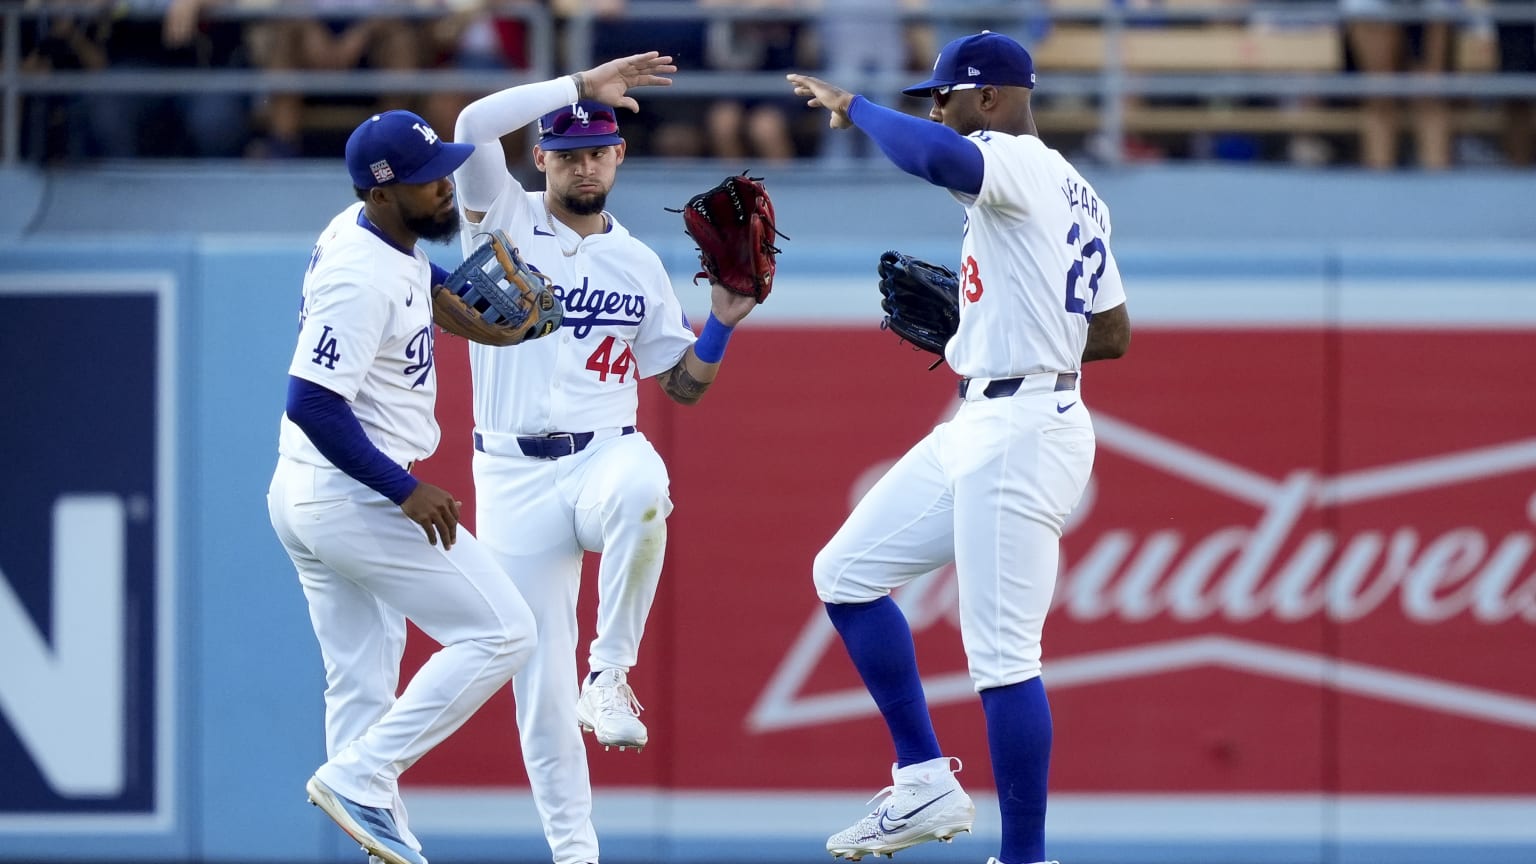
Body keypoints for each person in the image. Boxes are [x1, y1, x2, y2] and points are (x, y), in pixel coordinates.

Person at [788, 29, 1131, 864]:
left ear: (989, 98)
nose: (935, 112)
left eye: (942, 97)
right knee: (845, 572)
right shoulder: (1079, 191)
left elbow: (938, 159)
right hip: (992, 411)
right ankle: (922, 782)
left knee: (1005, 660)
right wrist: (1005, 330)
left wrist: (856, 106)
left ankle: (1025, 857)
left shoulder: (1011, 157)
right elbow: (1113, 333)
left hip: (1023, 427)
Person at [452, 53, 759, 864]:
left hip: (602, 455)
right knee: (538, 689)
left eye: (597, 148)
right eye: (566, 149)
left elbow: (682, 386)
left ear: (618, 155)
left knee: (645, 488)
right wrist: (577, 87)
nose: (583, 162)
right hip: (510, 472)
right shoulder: (498, 214)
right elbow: (469, 126)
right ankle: (575, 854)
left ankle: (612, 672)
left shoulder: (640, 264)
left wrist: (722, 323)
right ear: (539, 156)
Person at [267, 109, 539, 864]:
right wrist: (402, 491)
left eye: (445, 171)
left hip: (308, 489)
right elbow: (312, 399)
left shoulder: (377, 235)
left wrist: (475, 300)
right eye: (428, 183)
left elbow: (419, 279)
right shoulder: (360, 275)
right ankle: (359, 776)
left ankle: (370, 826)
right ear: (382, 194)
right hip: (352, 490)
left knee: (361, 684)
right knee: (505, 631)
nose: (447, 189)